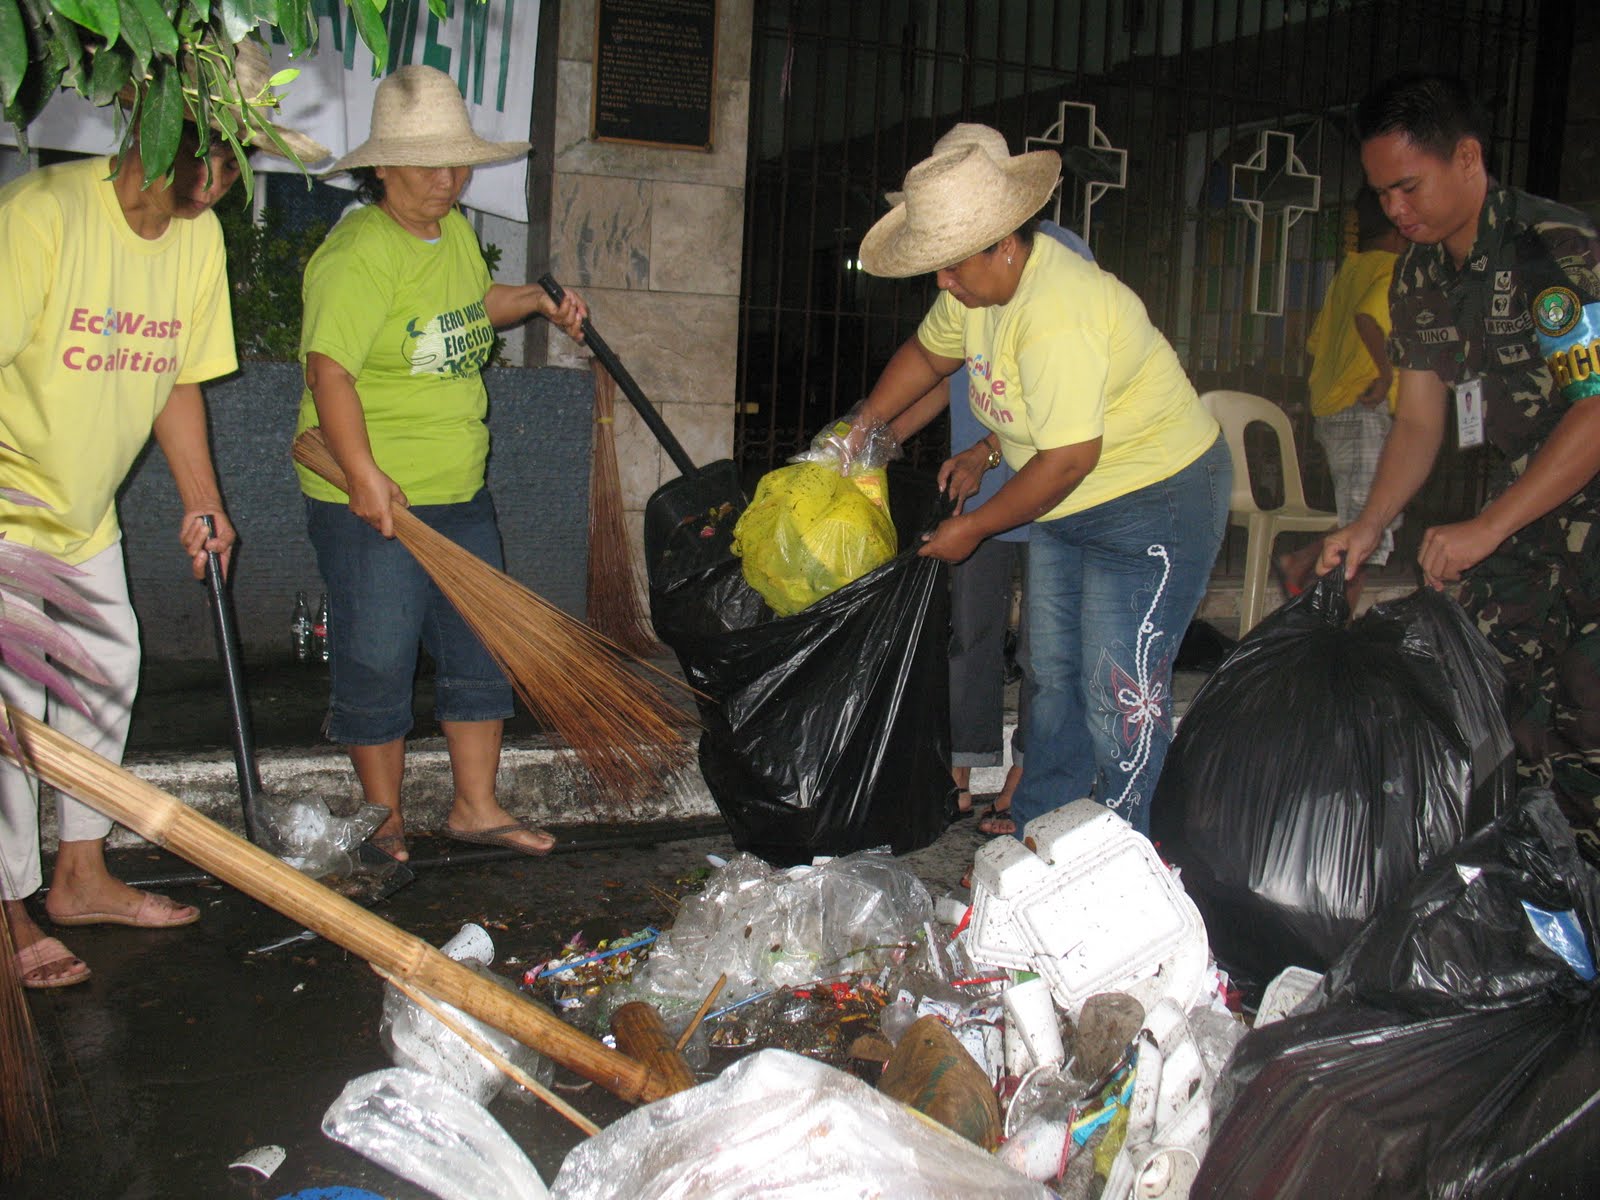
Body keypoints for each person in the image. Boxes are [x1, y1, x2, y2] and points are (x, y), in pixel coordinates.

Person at [0, 43, 328, 988]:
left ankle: (79, 874)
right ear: (144, 117)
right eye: (204, 144)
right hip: (9, 512)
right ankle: (10, 908)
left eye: (234, 158)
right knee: (16, 715)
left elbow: (180, 377)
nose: (218, 174)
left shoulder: (197, 239)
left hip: (84, 514)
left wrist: (204, 502)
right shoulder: (42, 217)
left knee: (106, 679)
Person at [853, 137, 1230, 837]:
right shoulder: (975, 295)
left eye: (952, 265)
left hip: (1153, 498)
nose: (943, 283)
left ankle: (1127, 847)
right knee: (1054, 668)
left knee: (1121, 685)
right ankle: (1045, 819)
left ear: (1002, 245)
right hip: (1067, 495)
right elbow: (927, 357)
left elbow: (1065, 459)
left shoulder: (1058, 309)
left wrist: (977, 526)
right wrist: (863, 427)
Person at [296, 66, 587, 863]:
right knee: (377, 652)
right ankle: (382, 819)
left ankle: (476, 807)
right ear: (381, 166)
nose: (445, 180)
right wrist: (360, 474)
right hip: (373, 498)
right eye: (426, 165)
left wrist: (526, 298)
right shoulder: (358, 252)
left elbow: (463, 307)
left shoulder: (451, 232)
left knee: (478, 645)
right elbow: (330, 372)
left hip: (459, 491)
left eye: (456, 164)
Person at [1316, 73, 1600, 845]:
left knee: (1589, 735)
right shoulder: (1419, 275)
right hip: (1526, 531)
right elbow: (1417, 420)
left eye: (1408, 188)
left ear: (1467, 157)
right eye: (1382, 196)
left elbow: (1595, 406)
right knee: (1505, 728)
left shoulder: (1553, 251)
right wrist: (1370, 525)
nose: (1396, 211)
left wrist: (1487, 527)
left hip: (1581, 524)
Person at [881, 123, 1095, 837]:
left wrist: (988, 454)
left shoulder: (1057, 262)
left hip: (1049, 476)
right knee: (967, 629)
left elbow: (1063, 407)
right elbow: (943, 368)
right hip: (978, 474)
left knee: (1047, 641)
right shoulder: (961, 273)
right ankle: (963, 767)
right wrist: (870, 437)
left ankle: (1029, 766)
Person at [1277, 188, 1406, 608]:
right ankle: (1339, 625)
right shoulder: (1393, 268)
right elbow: (1369, 317)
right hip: (1363, 407)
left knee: (1370, 518)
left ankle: (1300, 562)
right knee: (1366, 526)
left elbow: (1316, 341)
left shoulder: (1350, 270)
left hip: (1337, 405)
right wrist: (1385, 375)